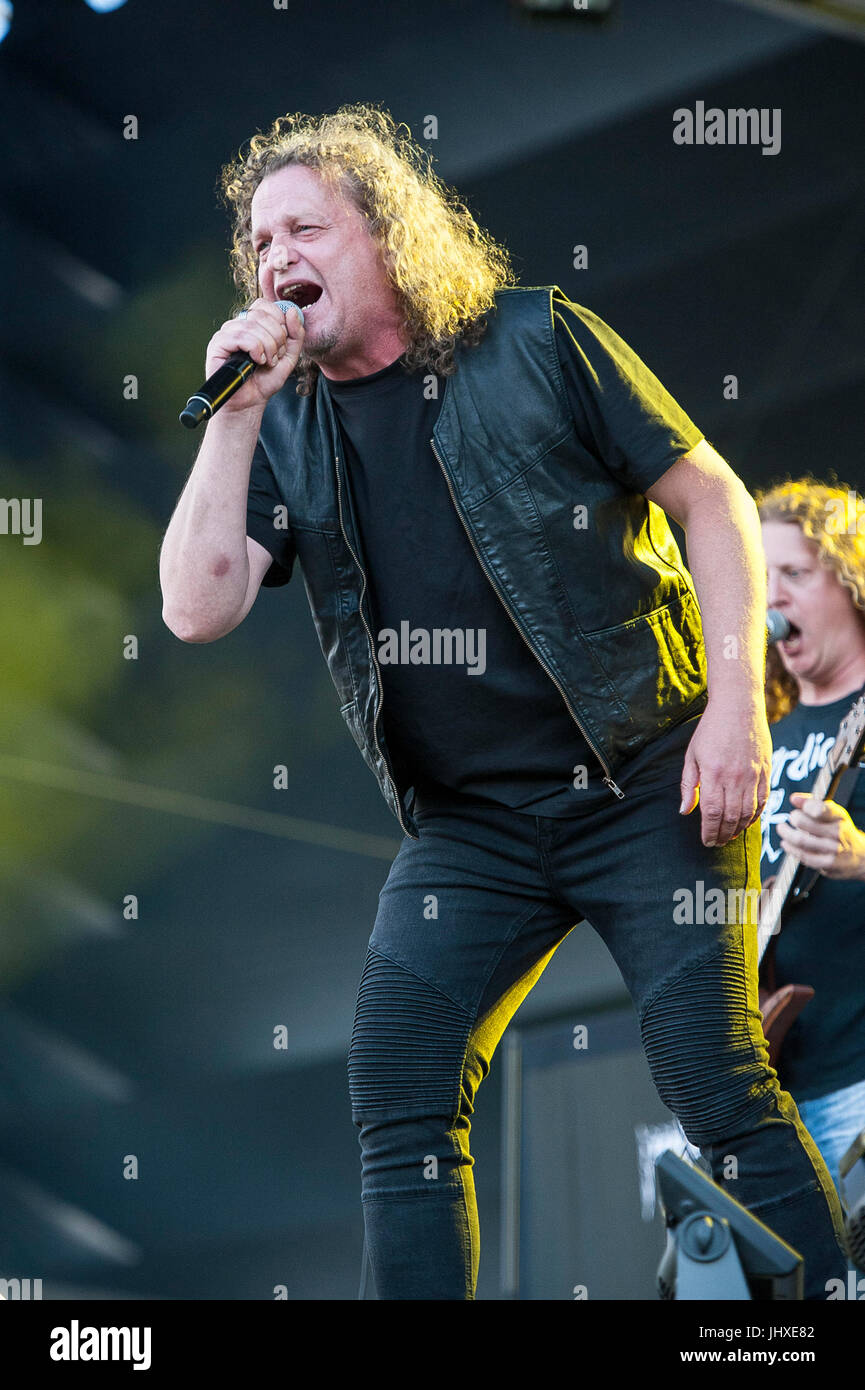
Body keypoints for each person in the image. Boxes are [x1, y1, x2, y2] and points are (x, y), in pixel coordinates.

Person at [159, 103, 847, 1299]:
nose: (274, 261)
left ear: (382, 232)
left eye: (302, 228)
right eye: (258, 244)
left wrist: (737, 706)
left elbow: (714, 501)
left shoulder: (535, 341)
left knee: (711, 1072)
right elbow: (193, 607)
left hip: (648, 773)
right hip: (473, 827)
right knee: (398, 1081)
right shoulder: (284, 428)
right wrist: (238, 413)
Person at [758, 479, 865, 1198]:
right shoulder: (753, 742)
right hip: (780, 1103)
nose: (773, 597)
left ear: (851, 580)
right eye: (761, 579)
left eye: (793, 574)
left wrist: (859, 858)